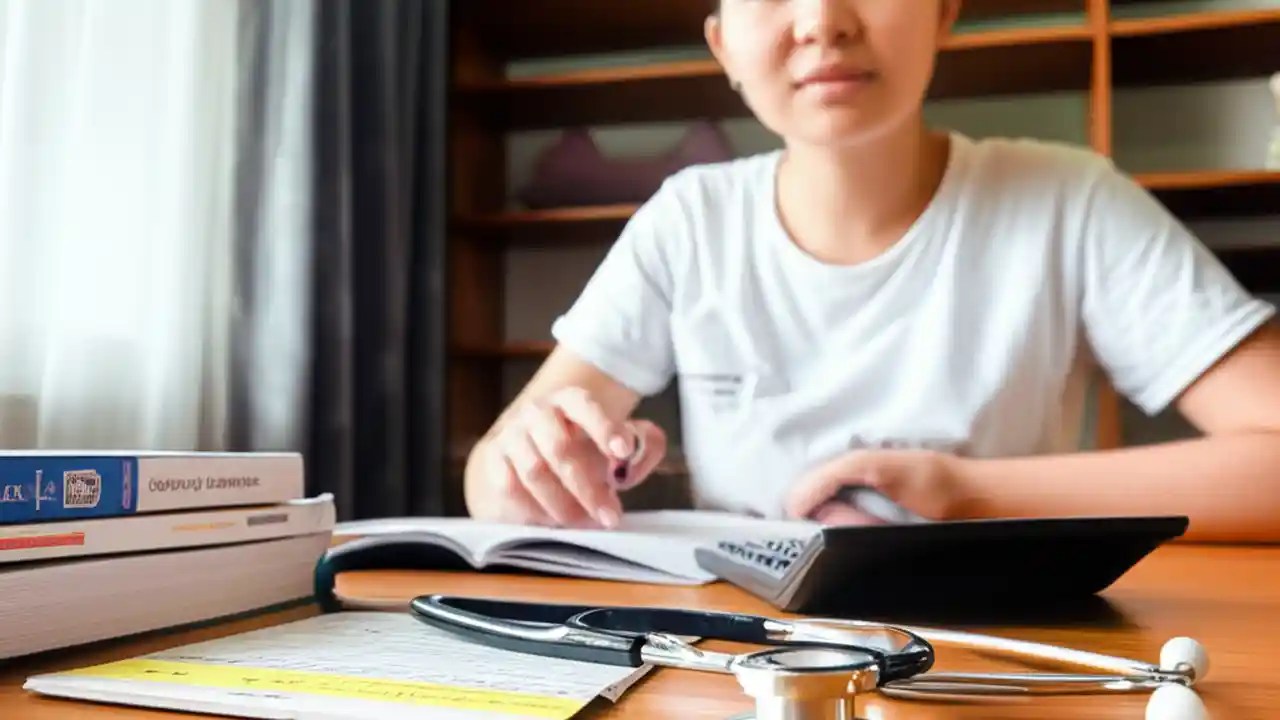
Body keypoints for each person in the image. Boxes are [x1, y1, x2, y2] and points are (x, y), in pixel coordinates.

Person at [463, 0, 1280, 542]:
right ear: (724, 47)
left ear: (943, 11)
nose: (822, 20)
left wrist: (970, 494)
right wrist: (532, 467)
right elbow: (495, 478)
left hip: (1002, 644)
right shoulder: (690, 220)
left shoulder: (1068, 201)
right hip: (738, 659)